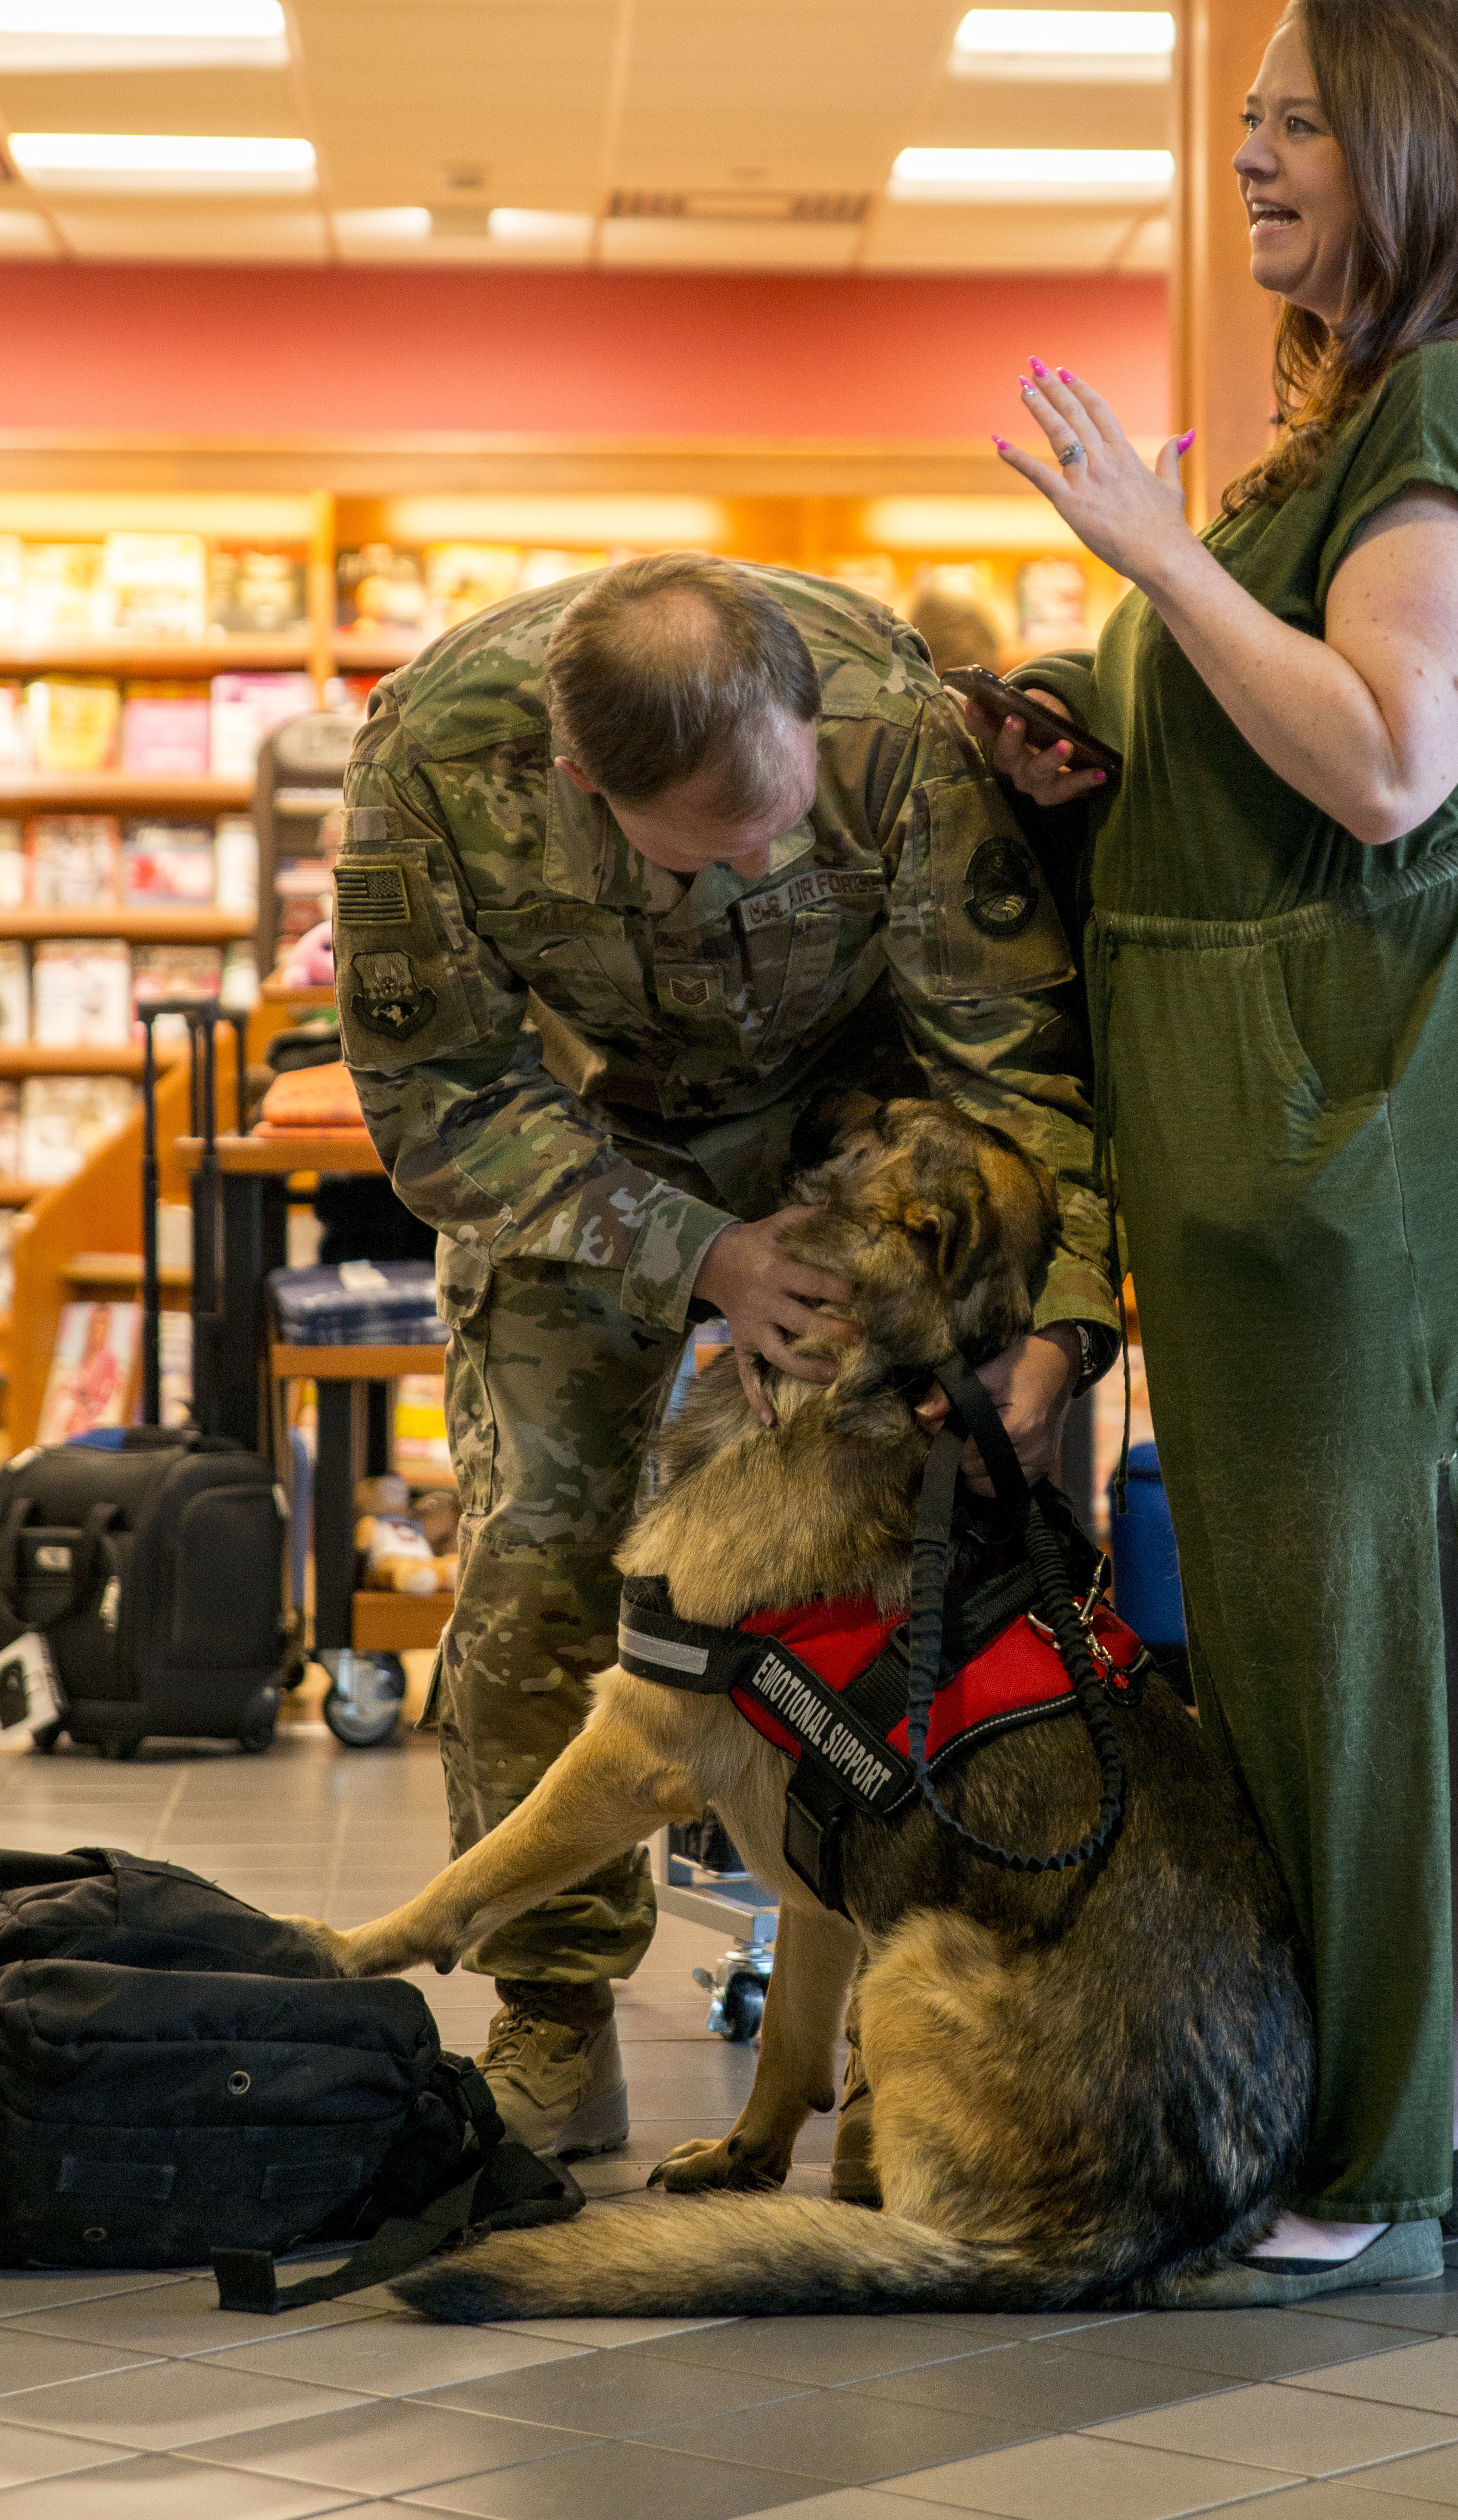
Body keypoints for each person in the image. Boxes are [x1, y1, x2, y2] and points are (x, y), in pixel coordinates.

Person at [976, 0, 1458, 2304]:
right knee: (1306, 1620)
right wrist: (1108, 752)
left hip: (1396, 1074)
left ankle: (1383, 2142)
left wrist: (1153, 560)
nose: (1249, 157)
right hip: (1281, 1073)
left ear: (1406, 150)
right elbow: (1280, 736)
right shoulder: (1338, 424)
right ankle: (1385, 2121)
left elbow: (1397, 757)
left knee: (1374, 1616)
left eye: (1293, 124)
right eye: (1246, 120)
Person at [331, 551, 1118, 2159]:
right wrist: (703, 1257)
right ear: (577, 778)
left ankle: (924, 1994)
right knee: (546, 1552)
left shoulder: (887, 720)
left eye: (784, 819)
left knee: (953, 1553)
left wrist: (1059, 1332)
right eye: (722, 843)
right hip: (579, 1162)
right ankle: (552, 2009)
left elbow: (1016, 1066)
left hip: (853, 1128)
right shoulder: (429, 764)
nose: (766, 857)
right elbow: (440, 1110)